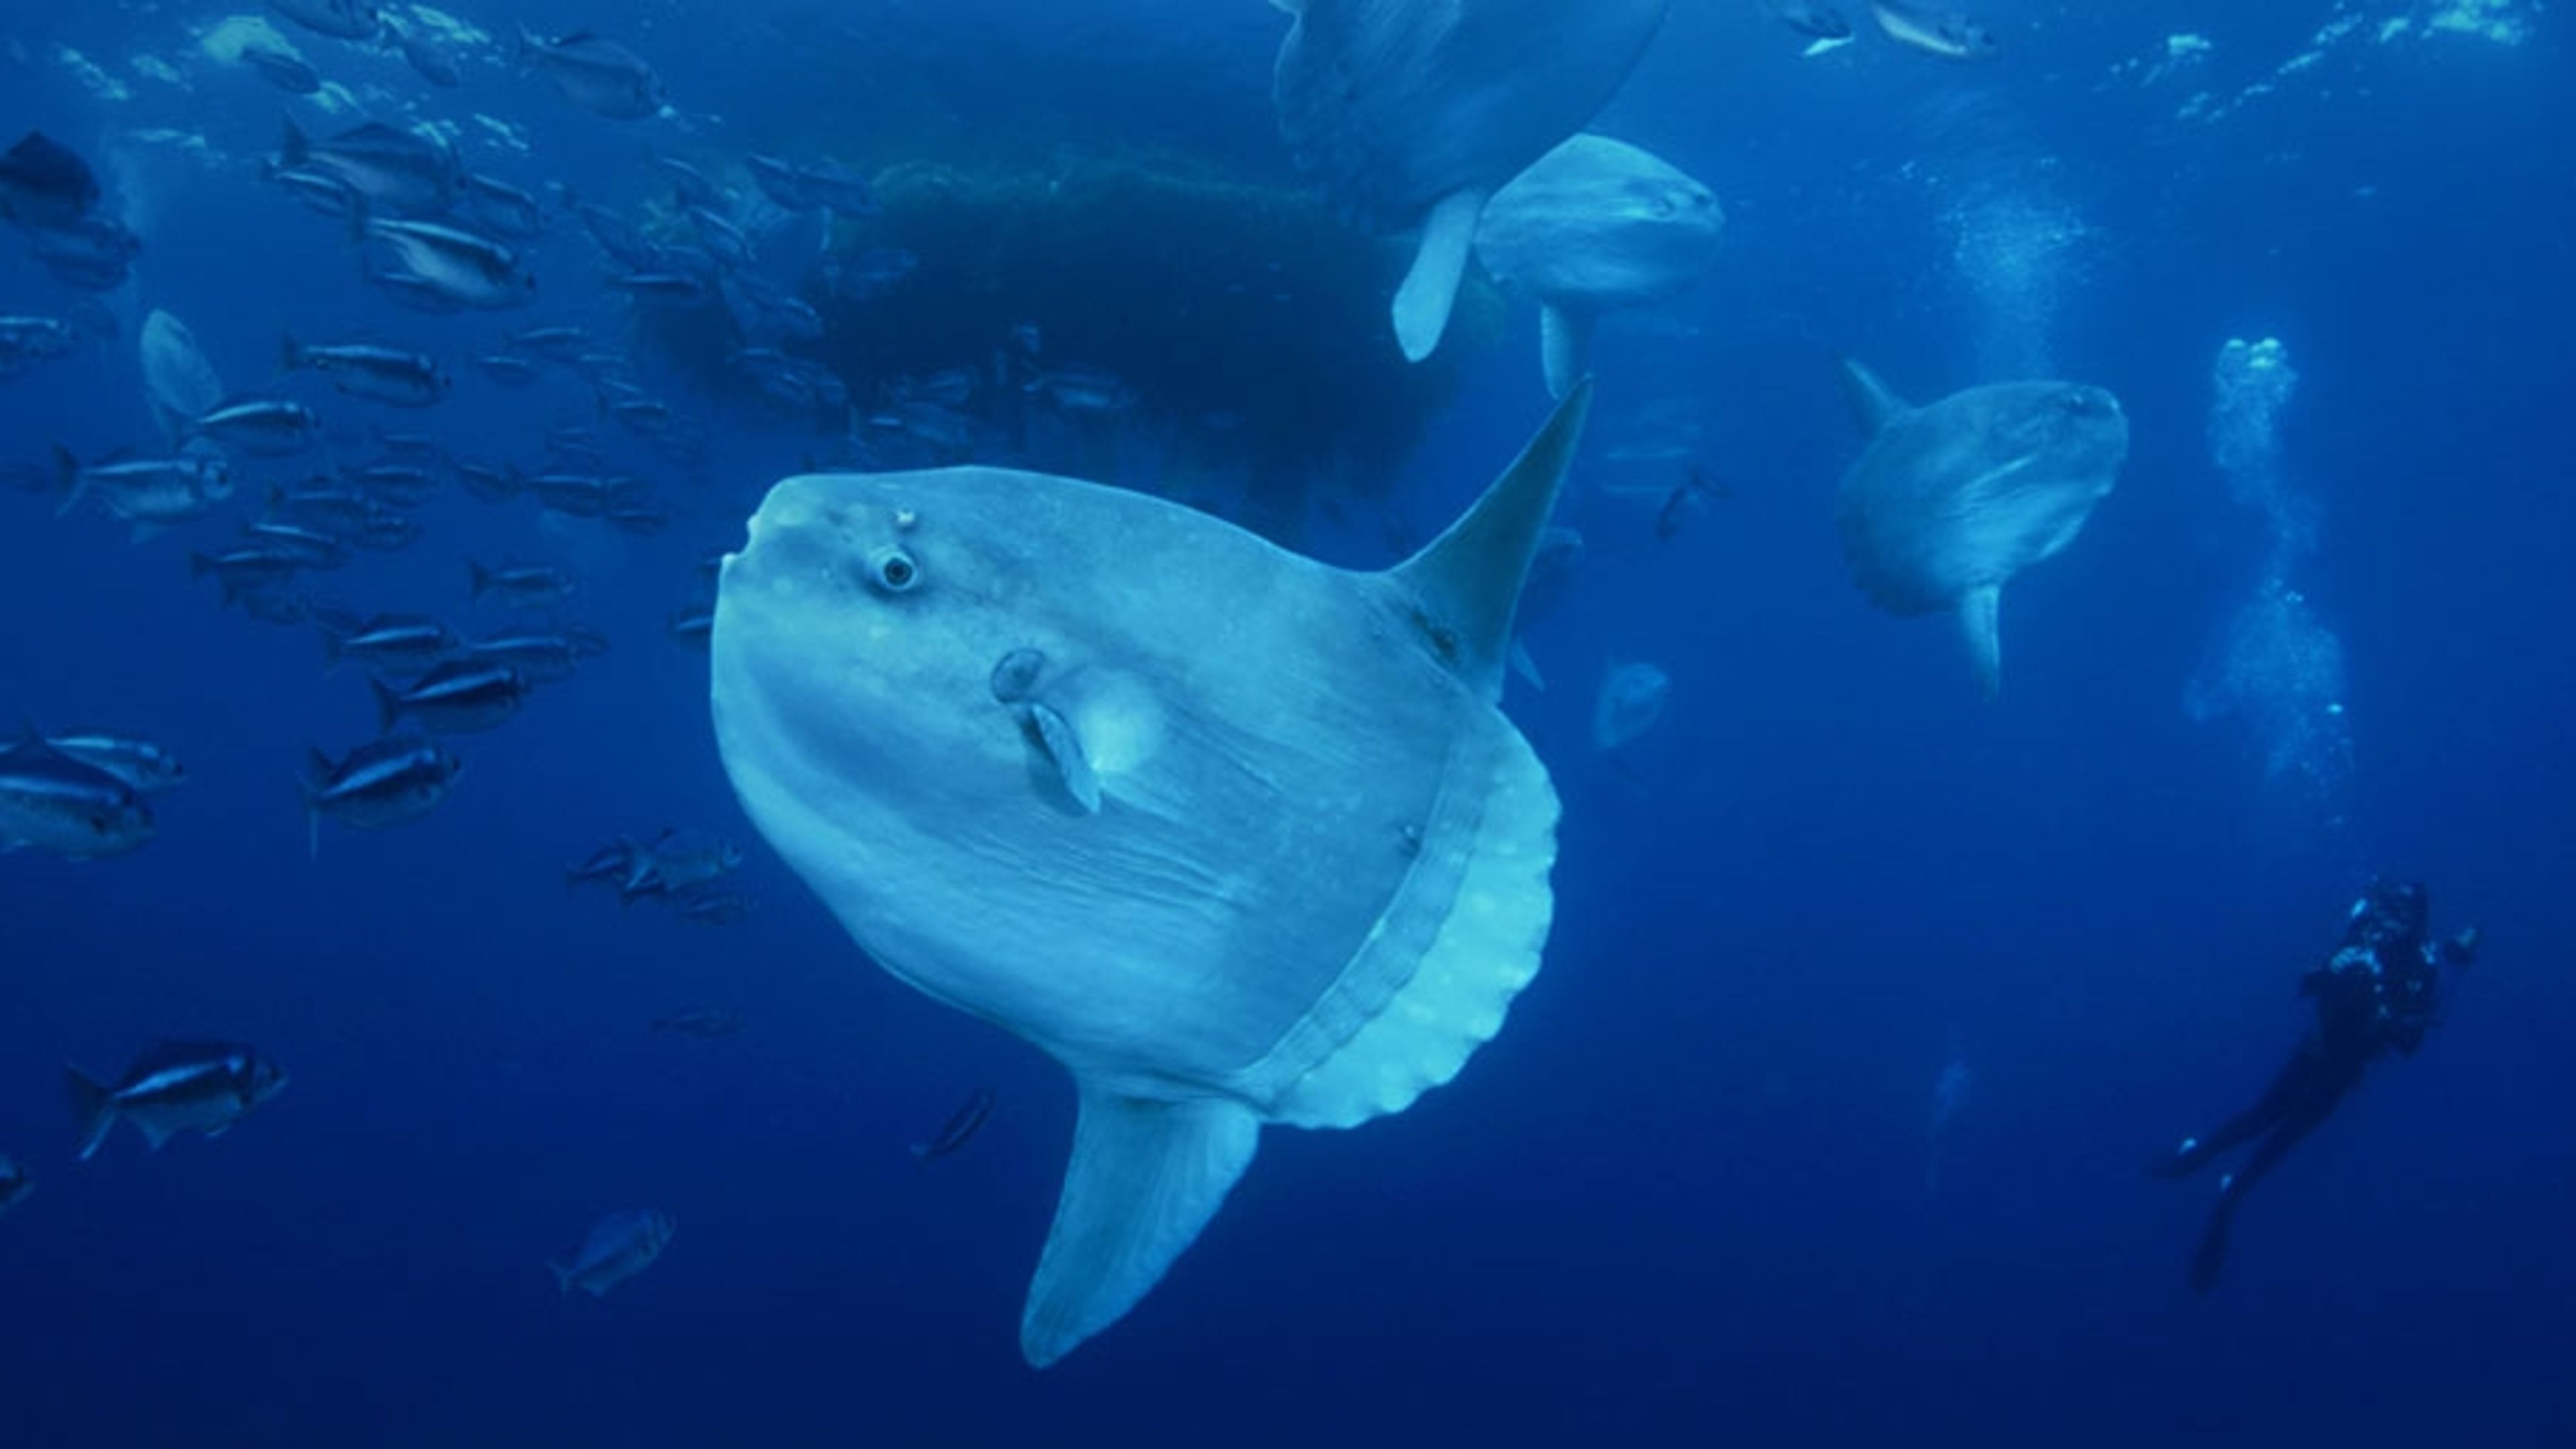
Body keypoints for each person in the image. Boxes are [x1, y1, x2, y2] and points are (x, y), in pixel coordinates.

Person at [2149, 877, 2478, 1290]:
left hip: (2342, 1070)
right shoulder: (2363, 938)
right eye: (2387, 909)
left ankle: (2227, 1199)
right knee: (2260, 1117)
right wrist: (2335, 972)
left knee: (2280, 1139)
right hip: (2315, 1050)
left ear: (2417, 920)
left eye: (2400, 913)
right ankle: (2195, 1162)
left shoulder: (2420, 966)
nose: (2389, 921)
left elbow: (2410, 1044)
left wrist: (2380, 1012)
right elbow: (2309, 985)